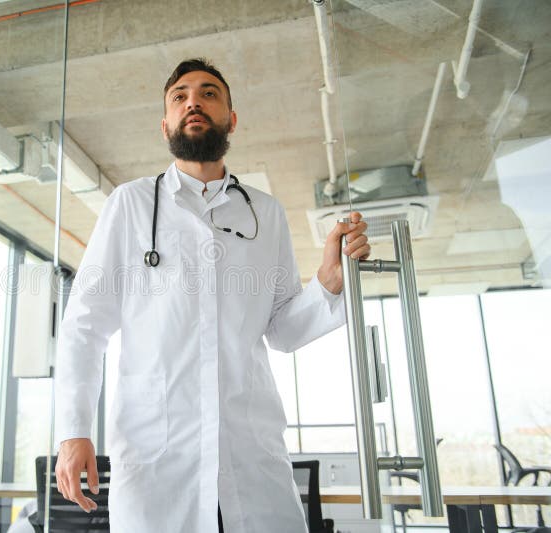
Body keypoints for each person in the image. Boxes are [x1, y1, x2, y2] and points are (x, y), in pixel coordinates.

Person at [53, 58, 370, 533]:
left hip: (250, 459)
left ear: (231, 119)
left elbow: (282, 331)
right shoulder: (131, 204)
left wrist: (327, 283)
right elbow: (84, 324)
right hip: (158, 462)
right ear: (165, 124)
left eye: (208, 93)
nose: (193, 103)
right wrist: (73, 430)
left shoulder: (265, 213)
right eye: (179, 97)